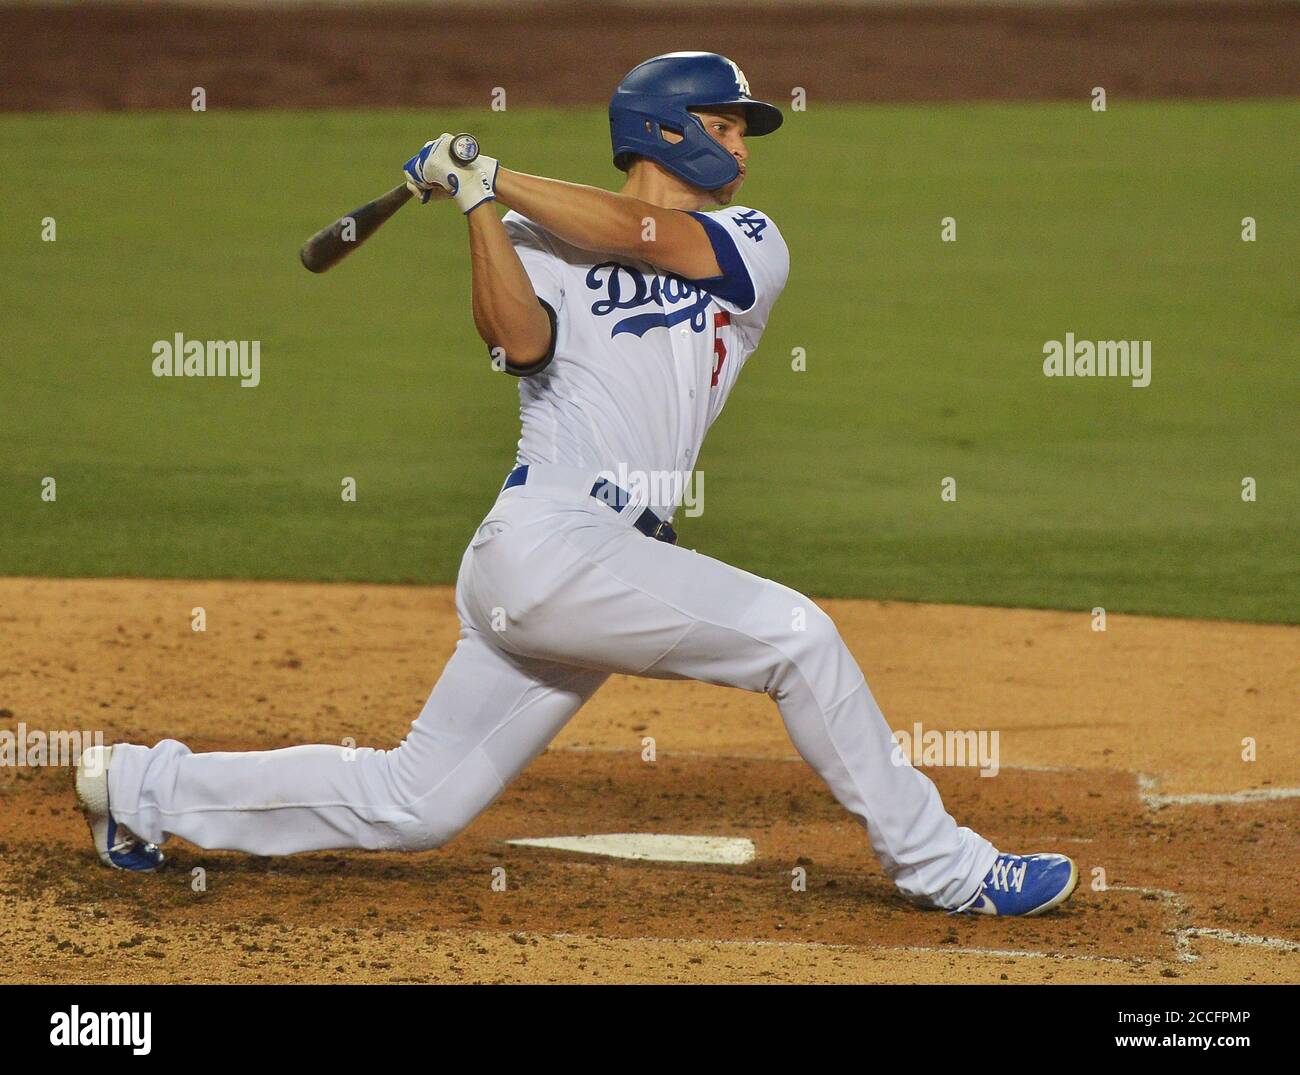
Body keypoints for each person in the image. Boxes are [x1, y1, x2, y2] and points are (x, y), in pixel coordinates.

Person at [76, 52, 1077, 917]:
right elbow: (519, 340)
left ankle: (138, 790)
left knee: (414, 802)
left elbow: (643, 237)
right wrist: (478, 206)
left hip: (595, 564)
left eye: (743, 129)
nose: (742, 146)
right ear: (663, 130)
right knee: (797, 638)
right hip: (544, 542)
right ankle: (946, 869)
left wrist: (492, 172)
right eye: (724, 124)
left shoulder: (751, 243)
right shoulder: (529, 240)